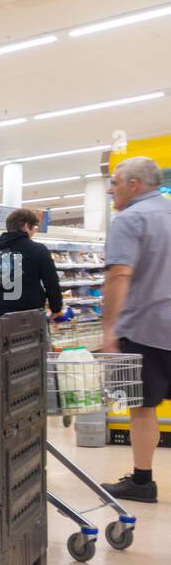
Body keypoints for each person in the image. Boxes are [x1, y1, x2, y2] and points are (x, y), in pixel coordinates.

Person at [99, 156, 171, 503]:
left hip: (147, 328)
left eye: (115, 182)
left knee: (143, 407)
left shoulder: (129, 219)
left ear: (134, 185)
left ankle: (142, 482)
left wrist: (109, 327)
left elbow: (120, 274)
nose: (111, 189)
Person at [0, 208, 65, 317]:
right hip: (29, 313)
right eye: (35, 226)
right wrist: (56, 308)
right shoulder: (38, 250)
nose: (35, 230)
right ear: (26, 226)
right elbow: (51, 283)